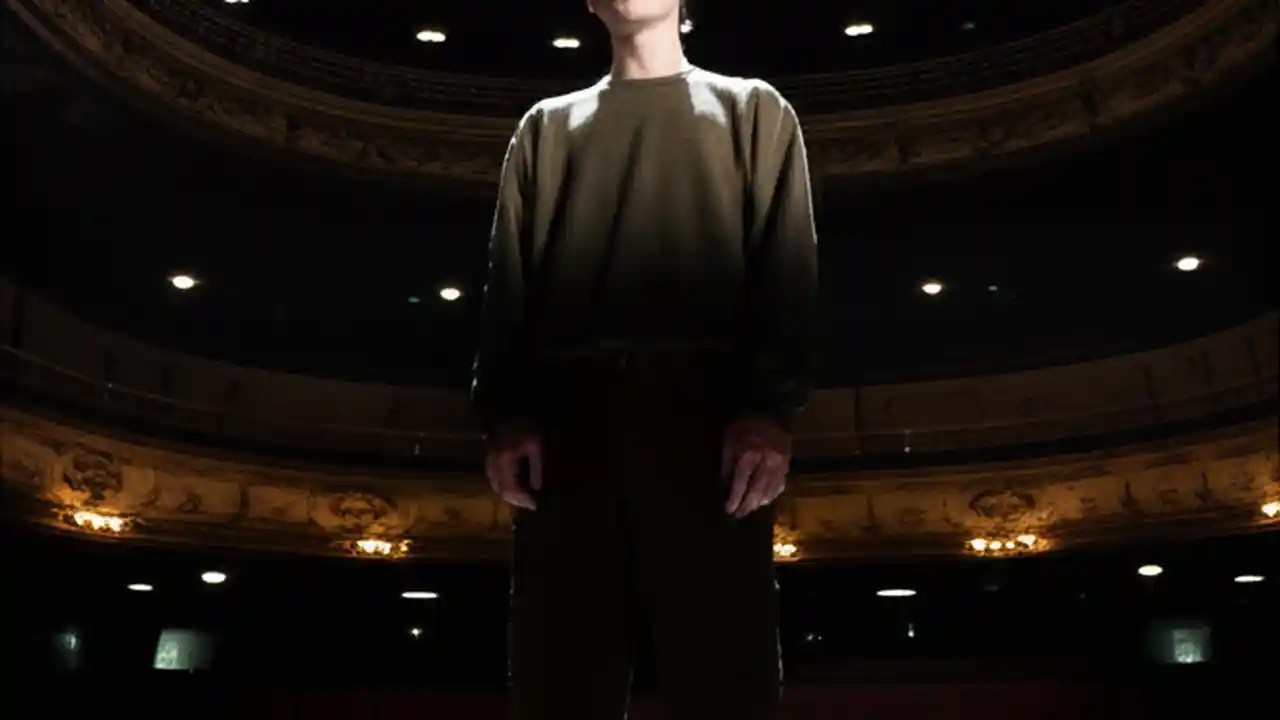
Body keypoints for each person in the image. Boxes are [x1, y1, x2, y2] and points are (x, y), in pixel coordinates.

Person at [472, 0, 818, 717]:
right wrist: (505, 413)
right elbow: (509, 282)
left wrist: (767, 407)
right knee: (557, 676)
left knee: (725, 674)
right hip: (568, 424)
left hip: (709, 422)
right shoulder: (544, 126)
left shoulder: (754, 109)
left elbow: (786, 270)